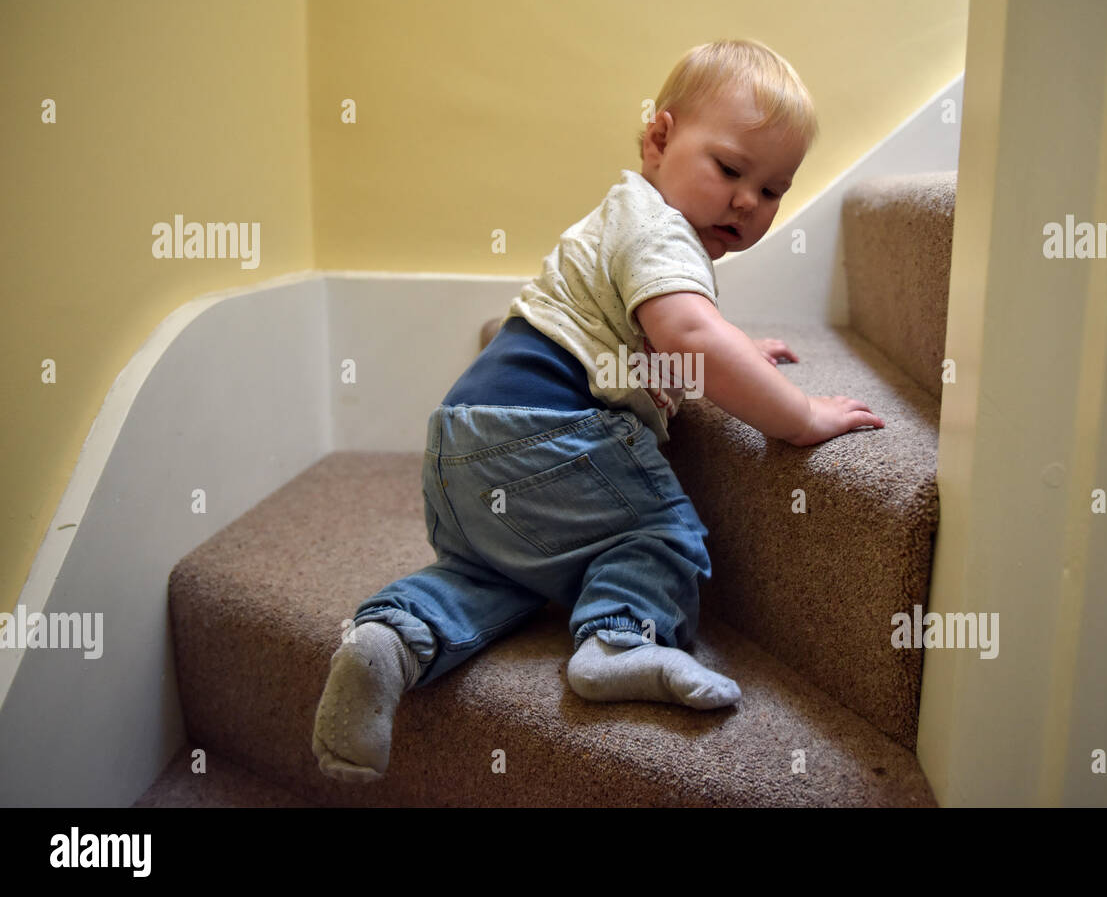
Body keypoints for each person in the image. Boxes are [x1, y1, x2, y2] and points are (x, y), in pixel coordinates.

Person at [312, 38, 884, 783]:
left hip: (462, 444)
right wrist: (799, 414)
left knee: (502, 575)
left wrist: (738, 345)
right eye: (730, 169)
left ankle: (390, 637)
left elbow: (673, 332)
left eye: (774, 189)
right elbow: (687, 334)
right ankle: (620, 639)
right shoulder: (659, 229)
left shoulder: (624, 217)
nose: (749, 201)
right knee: (660, 530)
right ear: (659, 139)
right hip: (547, 430)